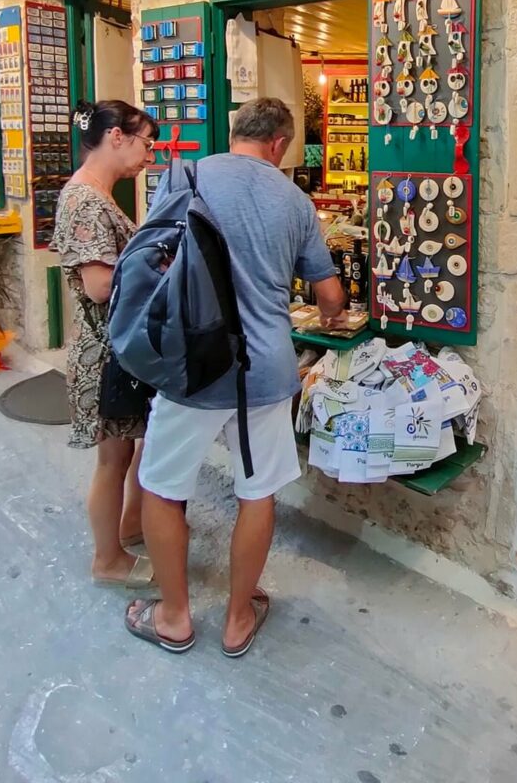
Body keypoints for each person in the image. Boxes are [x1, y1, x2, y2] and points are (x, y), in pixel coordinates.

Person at [126, 97, 346, 657]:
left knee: (162, 487)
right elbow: (329, 295)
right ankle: (238, 617)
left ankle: (174, 617)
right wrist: (329, 313)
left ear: (235, 133)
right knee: (257, 492)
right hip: (264, 369)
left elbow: (151, 259)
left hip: (191, 364)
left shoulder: (186, 176)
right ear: (279, 144)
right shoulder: (295, 201)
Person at [50, 98, 160, 589]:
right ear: (116, 136)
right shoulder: (87, 201)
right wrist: (156, 269)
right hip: (103, 351)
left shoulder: (95, 194)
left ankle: (131, 527)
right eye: (145, 144)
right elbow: (99, 285)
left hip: (115, 348)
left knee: (125, 452)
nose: (148, 157)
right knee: (112, 460)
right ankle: (107, 558)